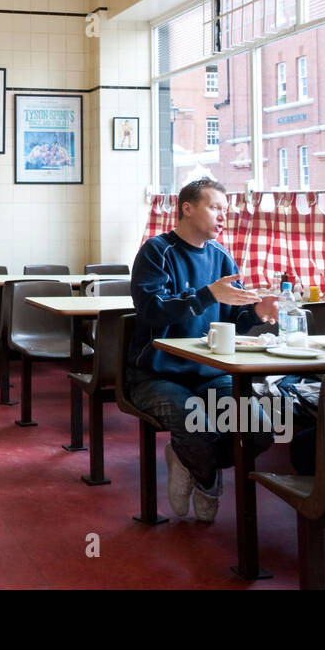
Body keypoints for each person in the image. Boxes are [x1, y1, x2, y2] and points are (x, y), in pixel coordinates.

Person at [127, 178, 280, 521]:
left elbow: (234, 317)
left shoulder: (222, 256)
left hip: (210, 373)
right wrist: (207, 295)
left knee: (260, 429)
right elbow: (152, 310)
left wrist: (256, 312)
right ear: (187, 208)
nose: (223, 217)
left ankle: (186, 457)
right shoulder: (156, 250)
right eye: (215, 208)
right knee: (197, 423)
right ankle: (208, 481)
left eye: (226, 210)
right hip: (156, 373)